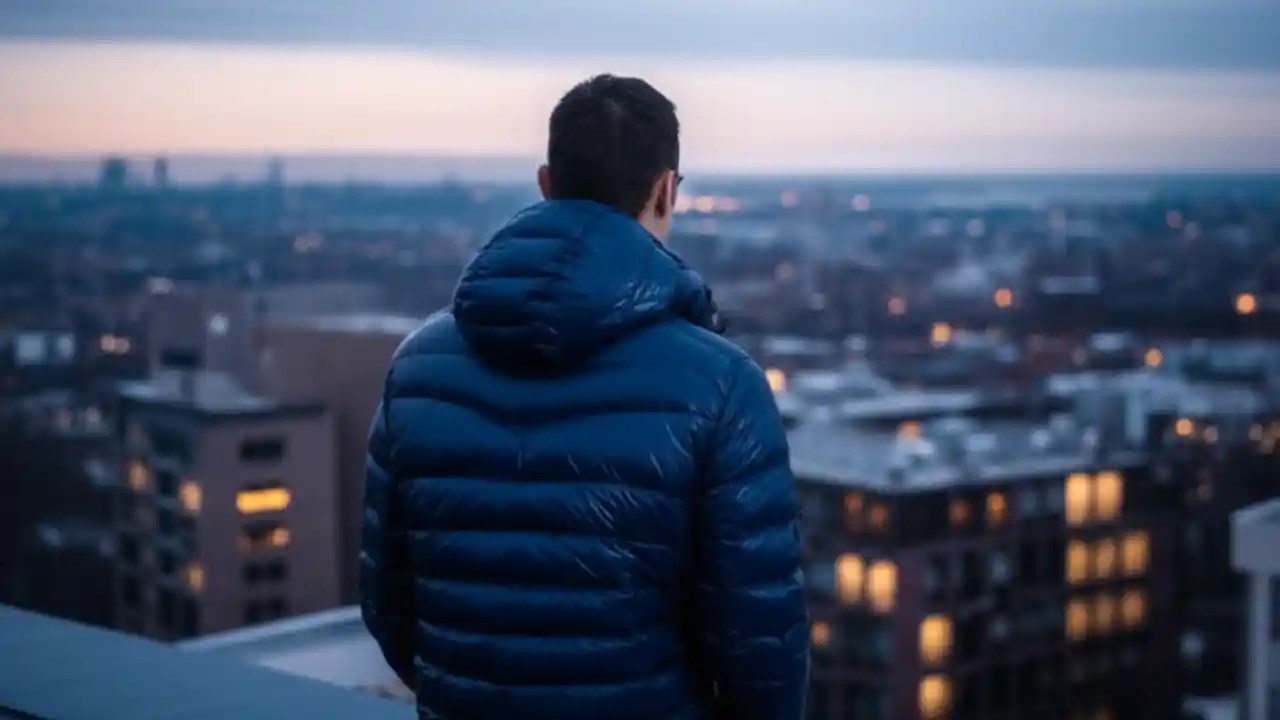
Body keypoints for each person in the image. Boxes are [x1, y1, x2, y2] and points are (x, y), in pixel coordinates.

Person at [360, 74, 808, 720]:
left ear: (547, 184)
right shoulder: (723, 387)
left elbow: (389, 607)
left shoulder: (416, 369)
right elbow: (762, 651)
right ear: (666, 190)